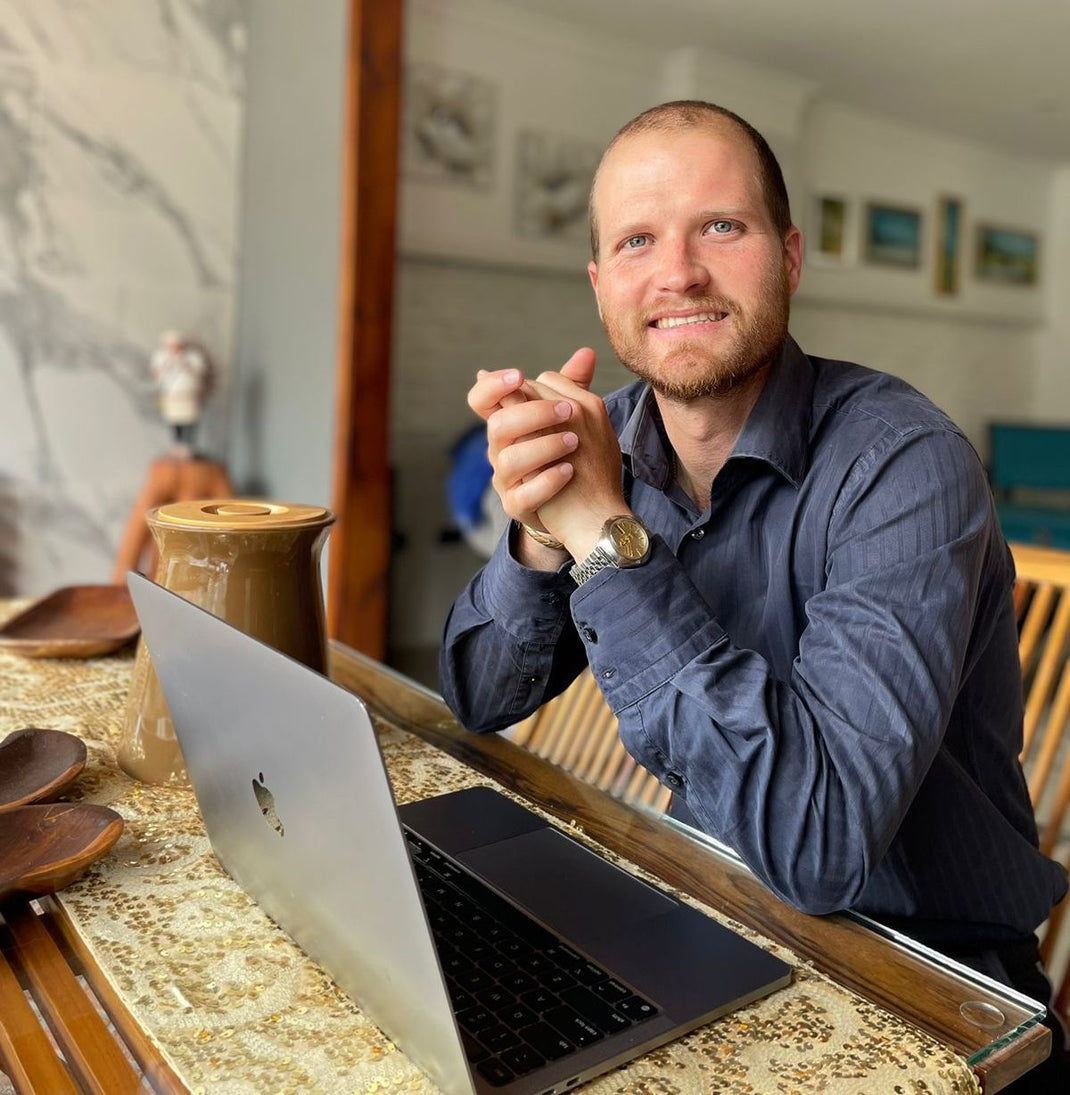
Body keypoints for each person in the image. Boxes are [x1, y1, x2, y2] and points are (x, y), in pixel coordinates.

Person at [439, 101, 1069, 1088]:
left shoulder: (902, 463)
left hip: (933, 993)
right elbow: (479, 694)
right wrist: (537, 528)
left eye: (718, 227)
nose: (678, 271)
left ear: (786, 255)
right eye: (638, 239)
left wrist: (607, 541)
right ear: (602, 285)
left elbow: (816, 848)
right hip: (705, 921)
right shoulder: (604, 437)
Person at [150, 330, 212, 455]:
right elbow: (156, 375)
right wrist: (168, 364)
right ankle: (177, 444)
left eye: (177, 344)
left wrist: (184, 363)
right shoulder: (162, 357)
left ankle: (188, 444)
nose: (174, 347)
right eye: (171, 345)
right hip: (171, 395)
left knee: (189, 420)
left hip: (188, 394)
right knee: (174, 420)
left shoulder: (192, 357)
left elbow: (199, 373)